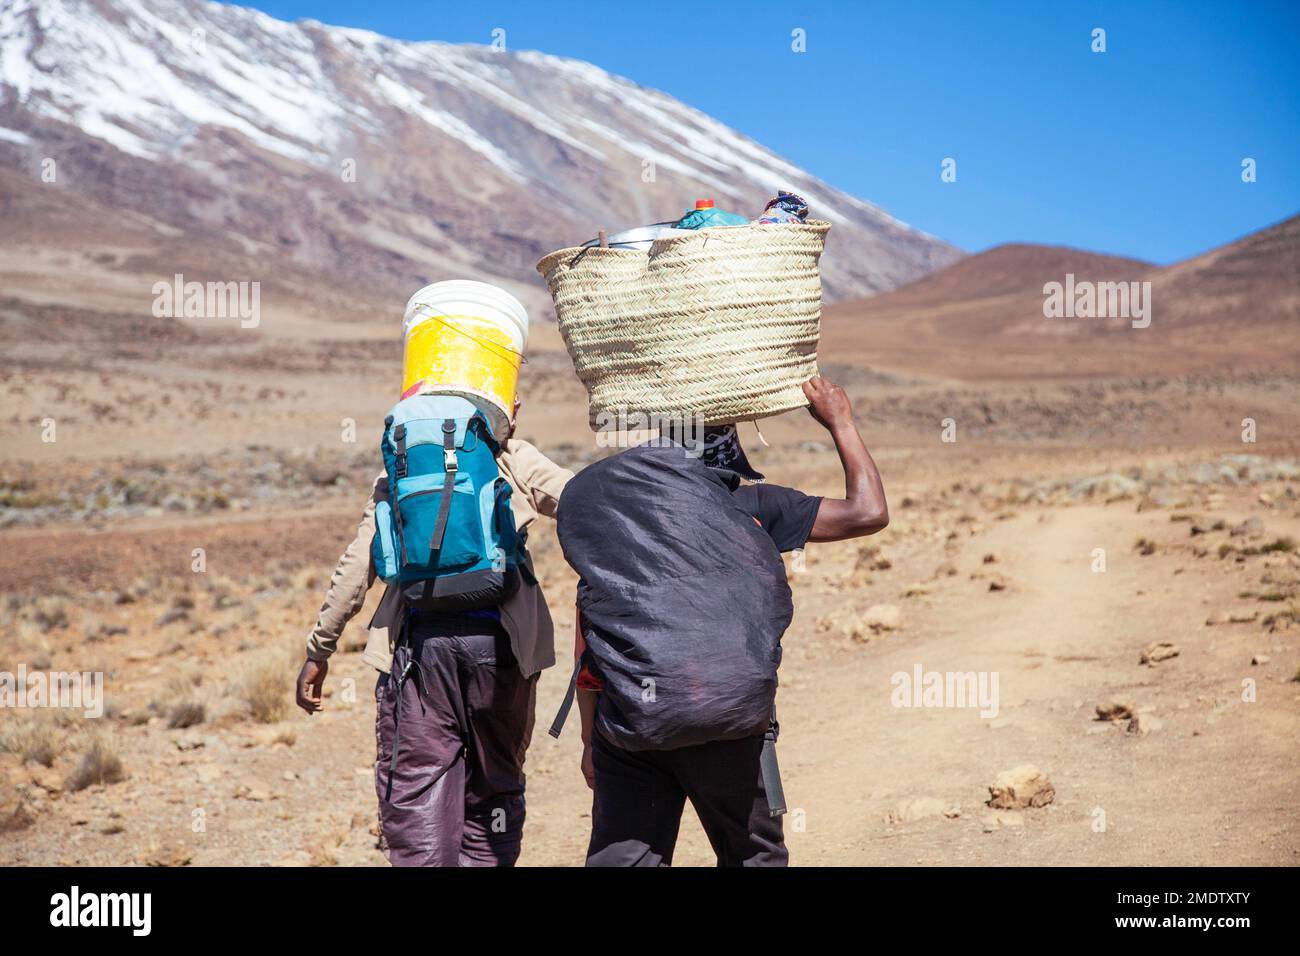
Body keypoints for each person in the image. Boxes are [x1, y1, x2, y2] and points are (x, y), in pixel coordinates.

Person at [563, 376, 887, 867]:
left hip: (634, 718)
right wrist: (840, 421)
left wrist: (590, 739)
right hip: (731, 715)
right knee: (752, 856)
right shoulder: (752, 506)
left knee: (623, 859)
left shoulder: (616, 508)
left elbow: (591, 621)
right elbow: (868, 512)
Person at [295, 399, 572, 866]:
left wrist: (319, 649)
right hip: (502, 648)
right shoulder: (509, 456)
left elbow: (355, 570)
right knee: (494, 786)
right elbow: (585, 503)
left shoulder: (399, 471)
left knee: (417, 785)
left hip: (419, 651)